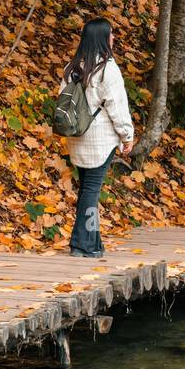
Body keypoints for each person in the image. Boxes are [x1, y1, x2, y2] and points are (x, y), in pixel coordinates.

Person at [59, 17, 134, 258]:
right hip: (100, 139)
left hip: (76, 136)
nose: (113, 38)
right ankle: (83, 245)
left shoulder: (72, 68)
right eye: (111, 34)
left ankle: (93, 243)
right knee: (91, 190)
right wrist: (127, 136)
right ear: (102, 38)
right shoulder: (107, 70)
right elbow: (117, 107)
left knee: (86, 189)